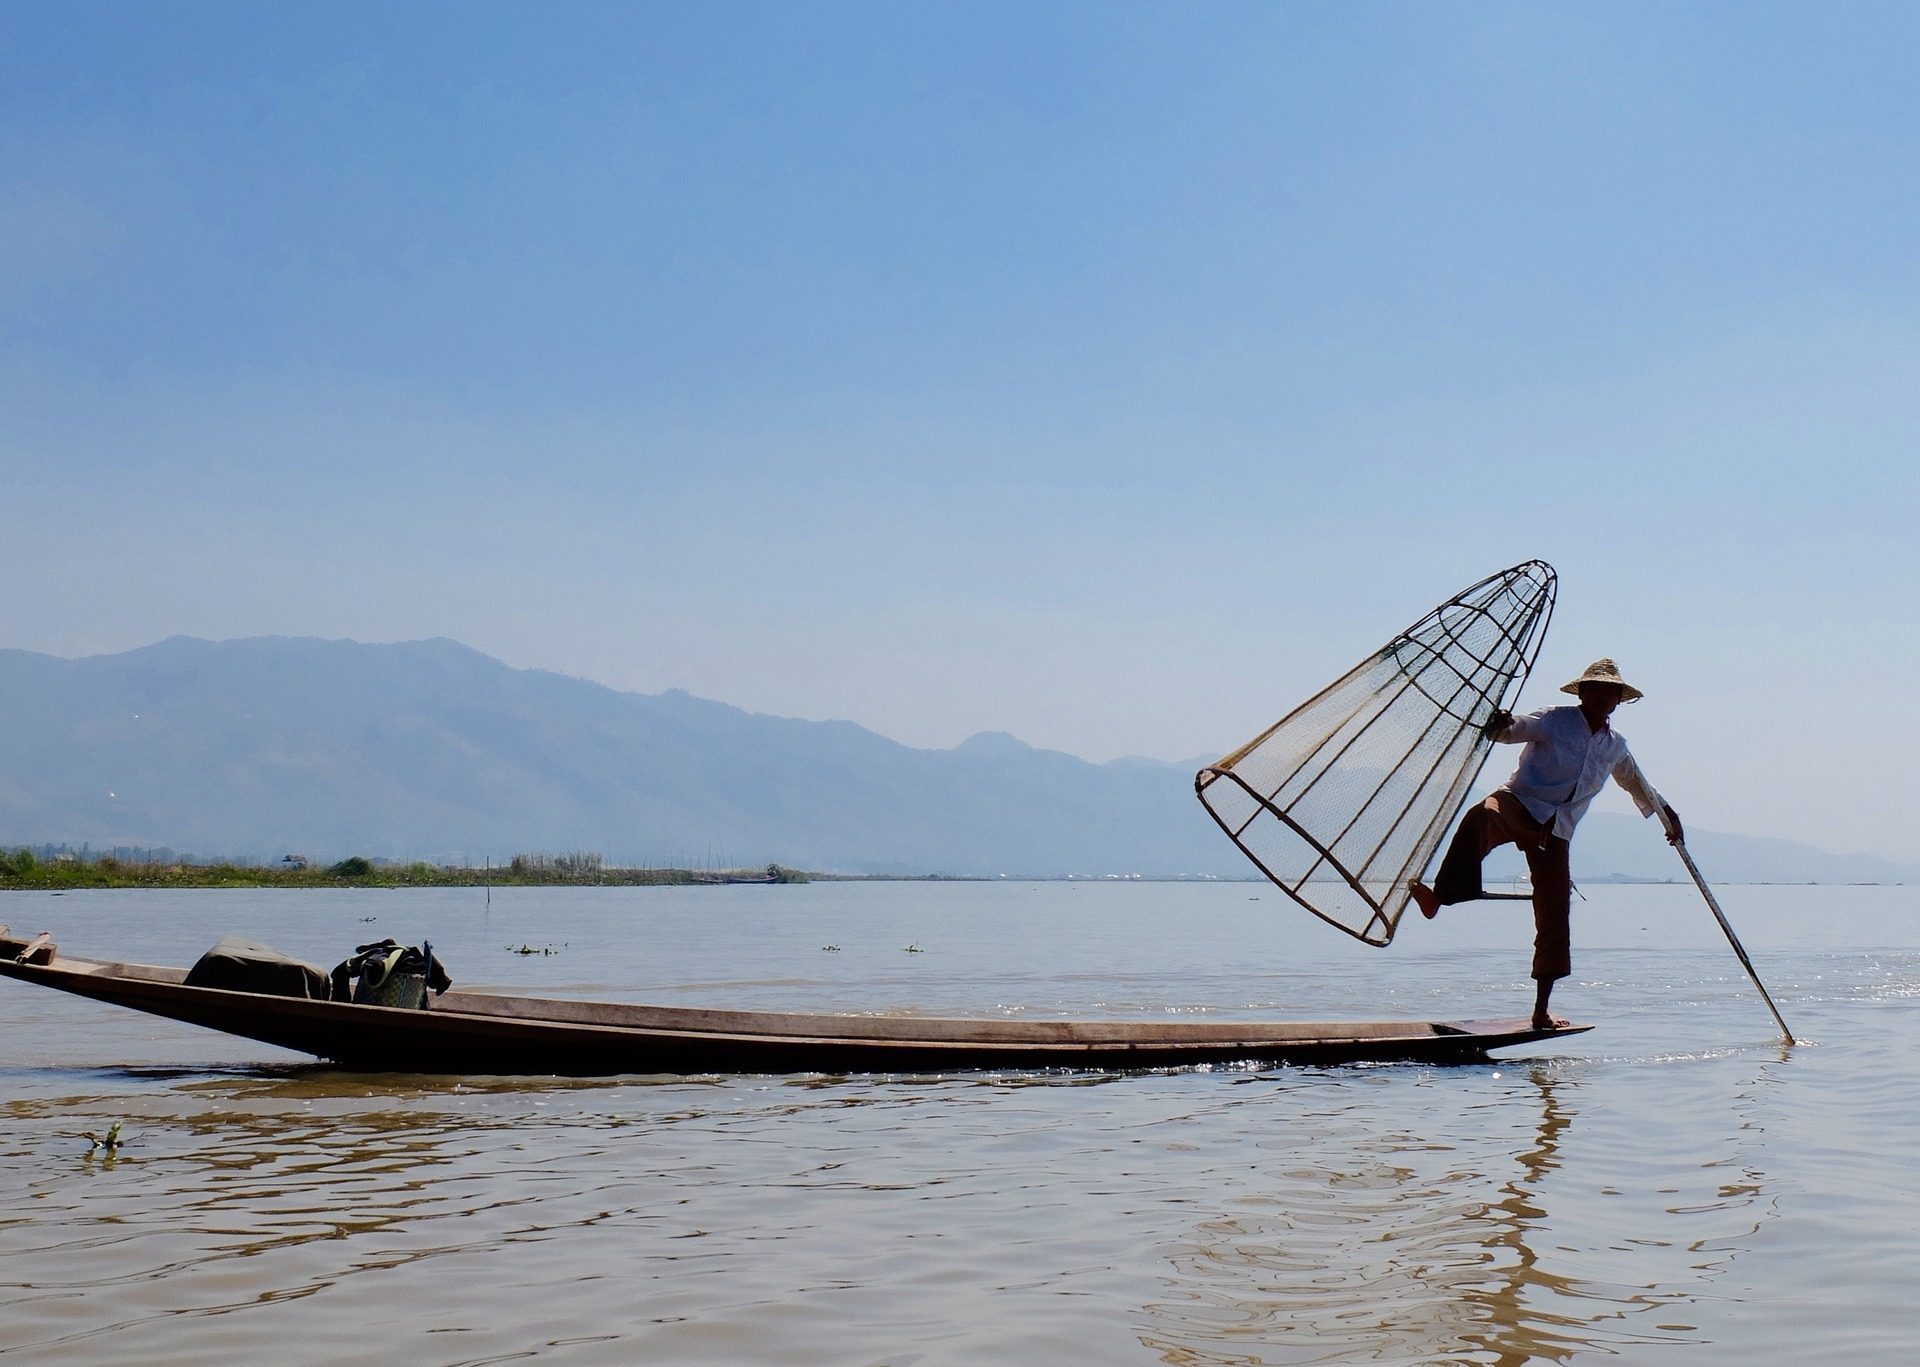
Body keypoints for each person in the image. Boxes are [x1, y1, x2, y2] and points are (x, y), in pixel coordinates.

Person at [1408, 659, 1682, 1030]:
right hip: (1520, 803)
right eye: (1594, 689)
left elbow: (1639, 785)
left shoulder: (1615, 746)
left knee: (1554, 914)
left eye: (1609, 691)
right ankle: (1440, 896)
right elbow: (1516, 729)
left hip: (1556, 830)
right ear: (1582, 693)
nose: (1601, 696)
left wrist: (1668, 816)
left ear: (1618, 699)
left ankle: (1540, 1011)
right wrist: (1501, 724)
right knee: (1481, 815)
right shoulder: (1555, 720)